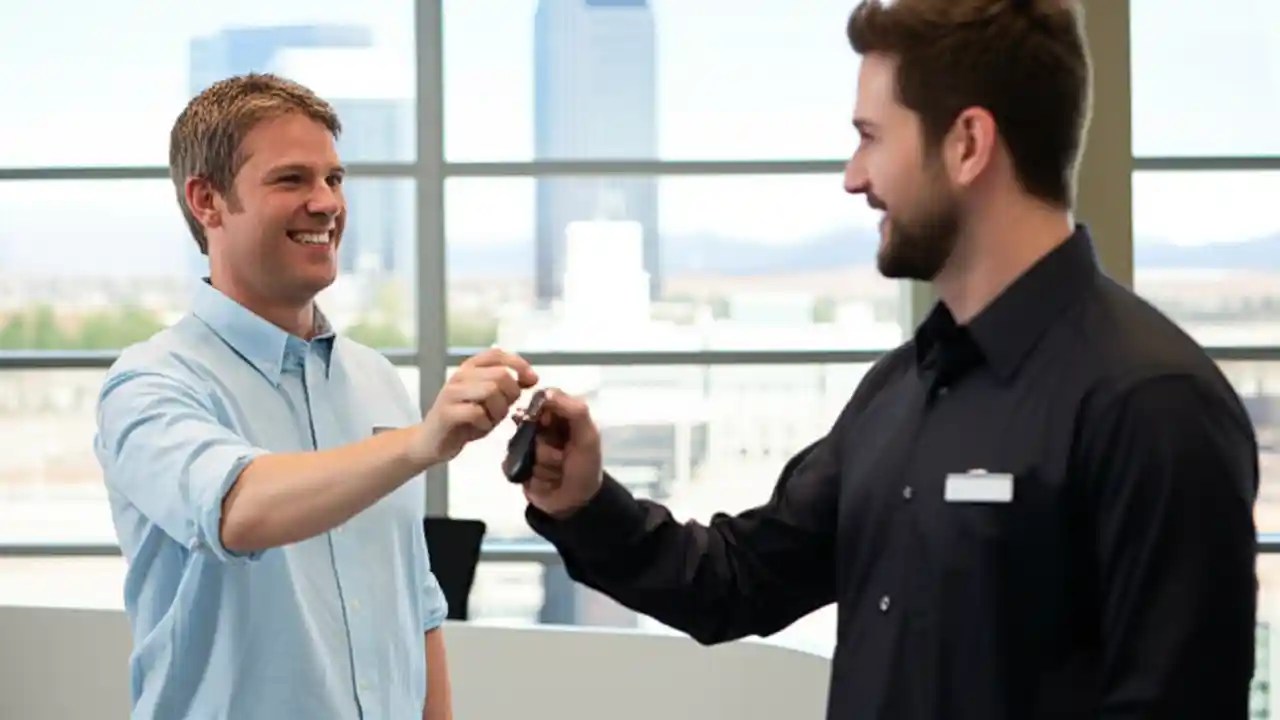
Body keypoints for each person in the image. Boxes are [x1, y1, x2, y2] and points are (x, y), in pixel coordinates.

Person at [516, 1, 1260, 718]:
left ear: (967, 144)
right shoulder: (901, 389)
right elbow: (738, 580)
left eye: (872, 136)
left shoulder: (1153, 404)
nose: (853, 175)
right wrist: (584, 504)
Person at [93, 73, 536, 719]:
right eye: (291, 180)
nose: (326, 202)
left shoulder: (375, 378)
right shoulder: (151, 386)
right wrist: (418, 445)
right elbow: (236, 510)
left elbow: (414, 603)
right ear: (207, 201)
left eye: (333, 178)